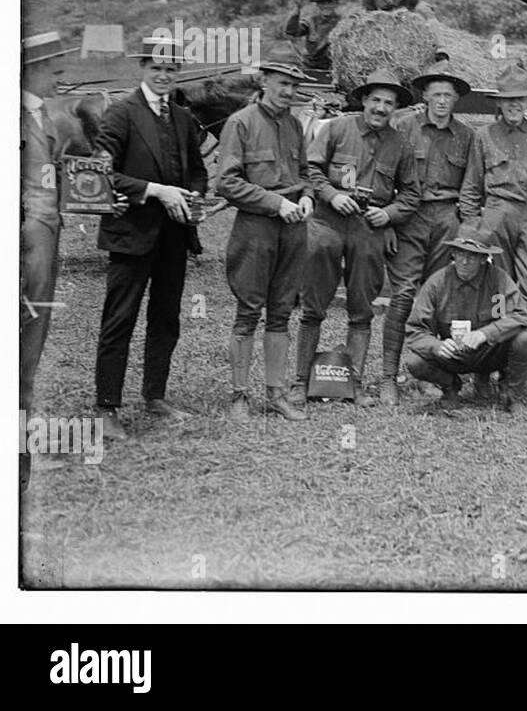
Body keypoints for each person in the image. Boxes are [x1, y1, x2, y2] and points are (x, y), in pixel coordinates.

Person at [92, 36, 209, 439]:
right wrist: (156, 190)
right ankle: (107, 408)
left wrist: (194, 194)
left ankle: (155, 396)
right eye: (156, 67)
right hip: (131, 234)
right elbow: (100, 173)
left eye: (171, 69)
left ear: (179, 73)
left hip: (174, 236)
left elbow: (197, 170)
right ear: (143, 67)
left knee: (166, 318)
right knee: (119, 320)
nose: (163, 75)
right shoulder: (121, 113)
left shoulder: (181, 117)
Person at [294, 69, 419, 409]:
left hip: (369, 229)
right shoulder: (336, 129)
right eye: (375, 100)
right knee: (313, 307)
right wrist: (332, 195)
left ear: (395, 108)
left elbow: (410, 194)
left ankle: (356, 384)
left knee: (361, 310)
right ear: (364, 100)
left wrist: (389, 214)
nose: (381, 108)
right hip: (328, 223)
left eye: (388, 103)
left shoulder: (400, 145)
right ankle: (300, 382)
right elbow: (311, 170)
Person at [215, 59, 315, 423]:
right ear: (263, 81)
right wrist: (276, 203)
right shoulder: (240, 123)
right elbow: (226, 182)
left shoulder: (294, 125)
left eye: (292, 85)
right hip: (256, 228)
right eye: (281, 83)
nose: (287, 91)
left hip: (293, 228)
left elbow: (304, 174)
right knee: (247, 312)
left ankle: (276, 393)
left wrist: (306, 196)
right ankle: (239, 395)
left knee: (282, 312)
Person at [378, 60, 475, 404]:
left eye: (448, 95)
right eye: (436, 94)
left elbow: (470, 186)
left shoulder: (466, 136)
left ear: (455, 100)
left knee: (435, 298)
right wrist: (388, 221)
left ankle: (427, 370)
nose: (442, 101)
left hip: (448, 220)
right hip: (409, 216)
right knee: (404, 294)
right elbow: (385, 177)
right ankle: (389, 377)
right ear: (425, 96)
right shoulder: (403, 127)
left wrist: (464, 227)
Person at [459, 66, 527, 390]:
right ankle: (492, 371)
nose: (515, 105)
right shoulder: (484, 136)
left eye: (521, 99)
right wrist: (473, 229)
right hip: (497, 212)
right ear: (498, 104)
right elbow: (472, 187)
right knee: (494, 294)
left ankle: (524, 364)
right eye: (509, 100)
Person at [20, 33, 76, 488]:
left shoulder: (44, 117)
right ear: (33, 68)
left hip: (47, 238)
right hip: (26, 242)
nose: (61, 73)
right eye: (55, 65)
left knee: (32, 343)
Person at [403, 224, 527, 412]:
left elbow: (520, 315)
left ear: (483, 259)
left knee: (523, 339)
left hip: (490, 351)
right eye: (460, 254)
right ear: (453, 254)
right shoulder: (436, 284)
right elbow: (415, 330)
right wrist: (436, 346)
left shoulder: (498, 279)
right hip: (455, 355)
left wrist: (485, 334)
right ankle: (450, 387)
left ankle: (514, 397)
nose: (464, 261)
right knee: (414, 361)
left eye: (471, 256)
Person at [284, 0, 344, 77]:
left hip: (334, 69)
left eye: (330, 2)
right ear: (317, 5)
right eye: (322, 3)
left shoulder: (343, 23)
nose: (326, 6)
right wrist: (297, 7)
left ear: (336, 3)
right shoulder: (311, 21)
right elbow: (292, 32)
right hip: (311, 67)